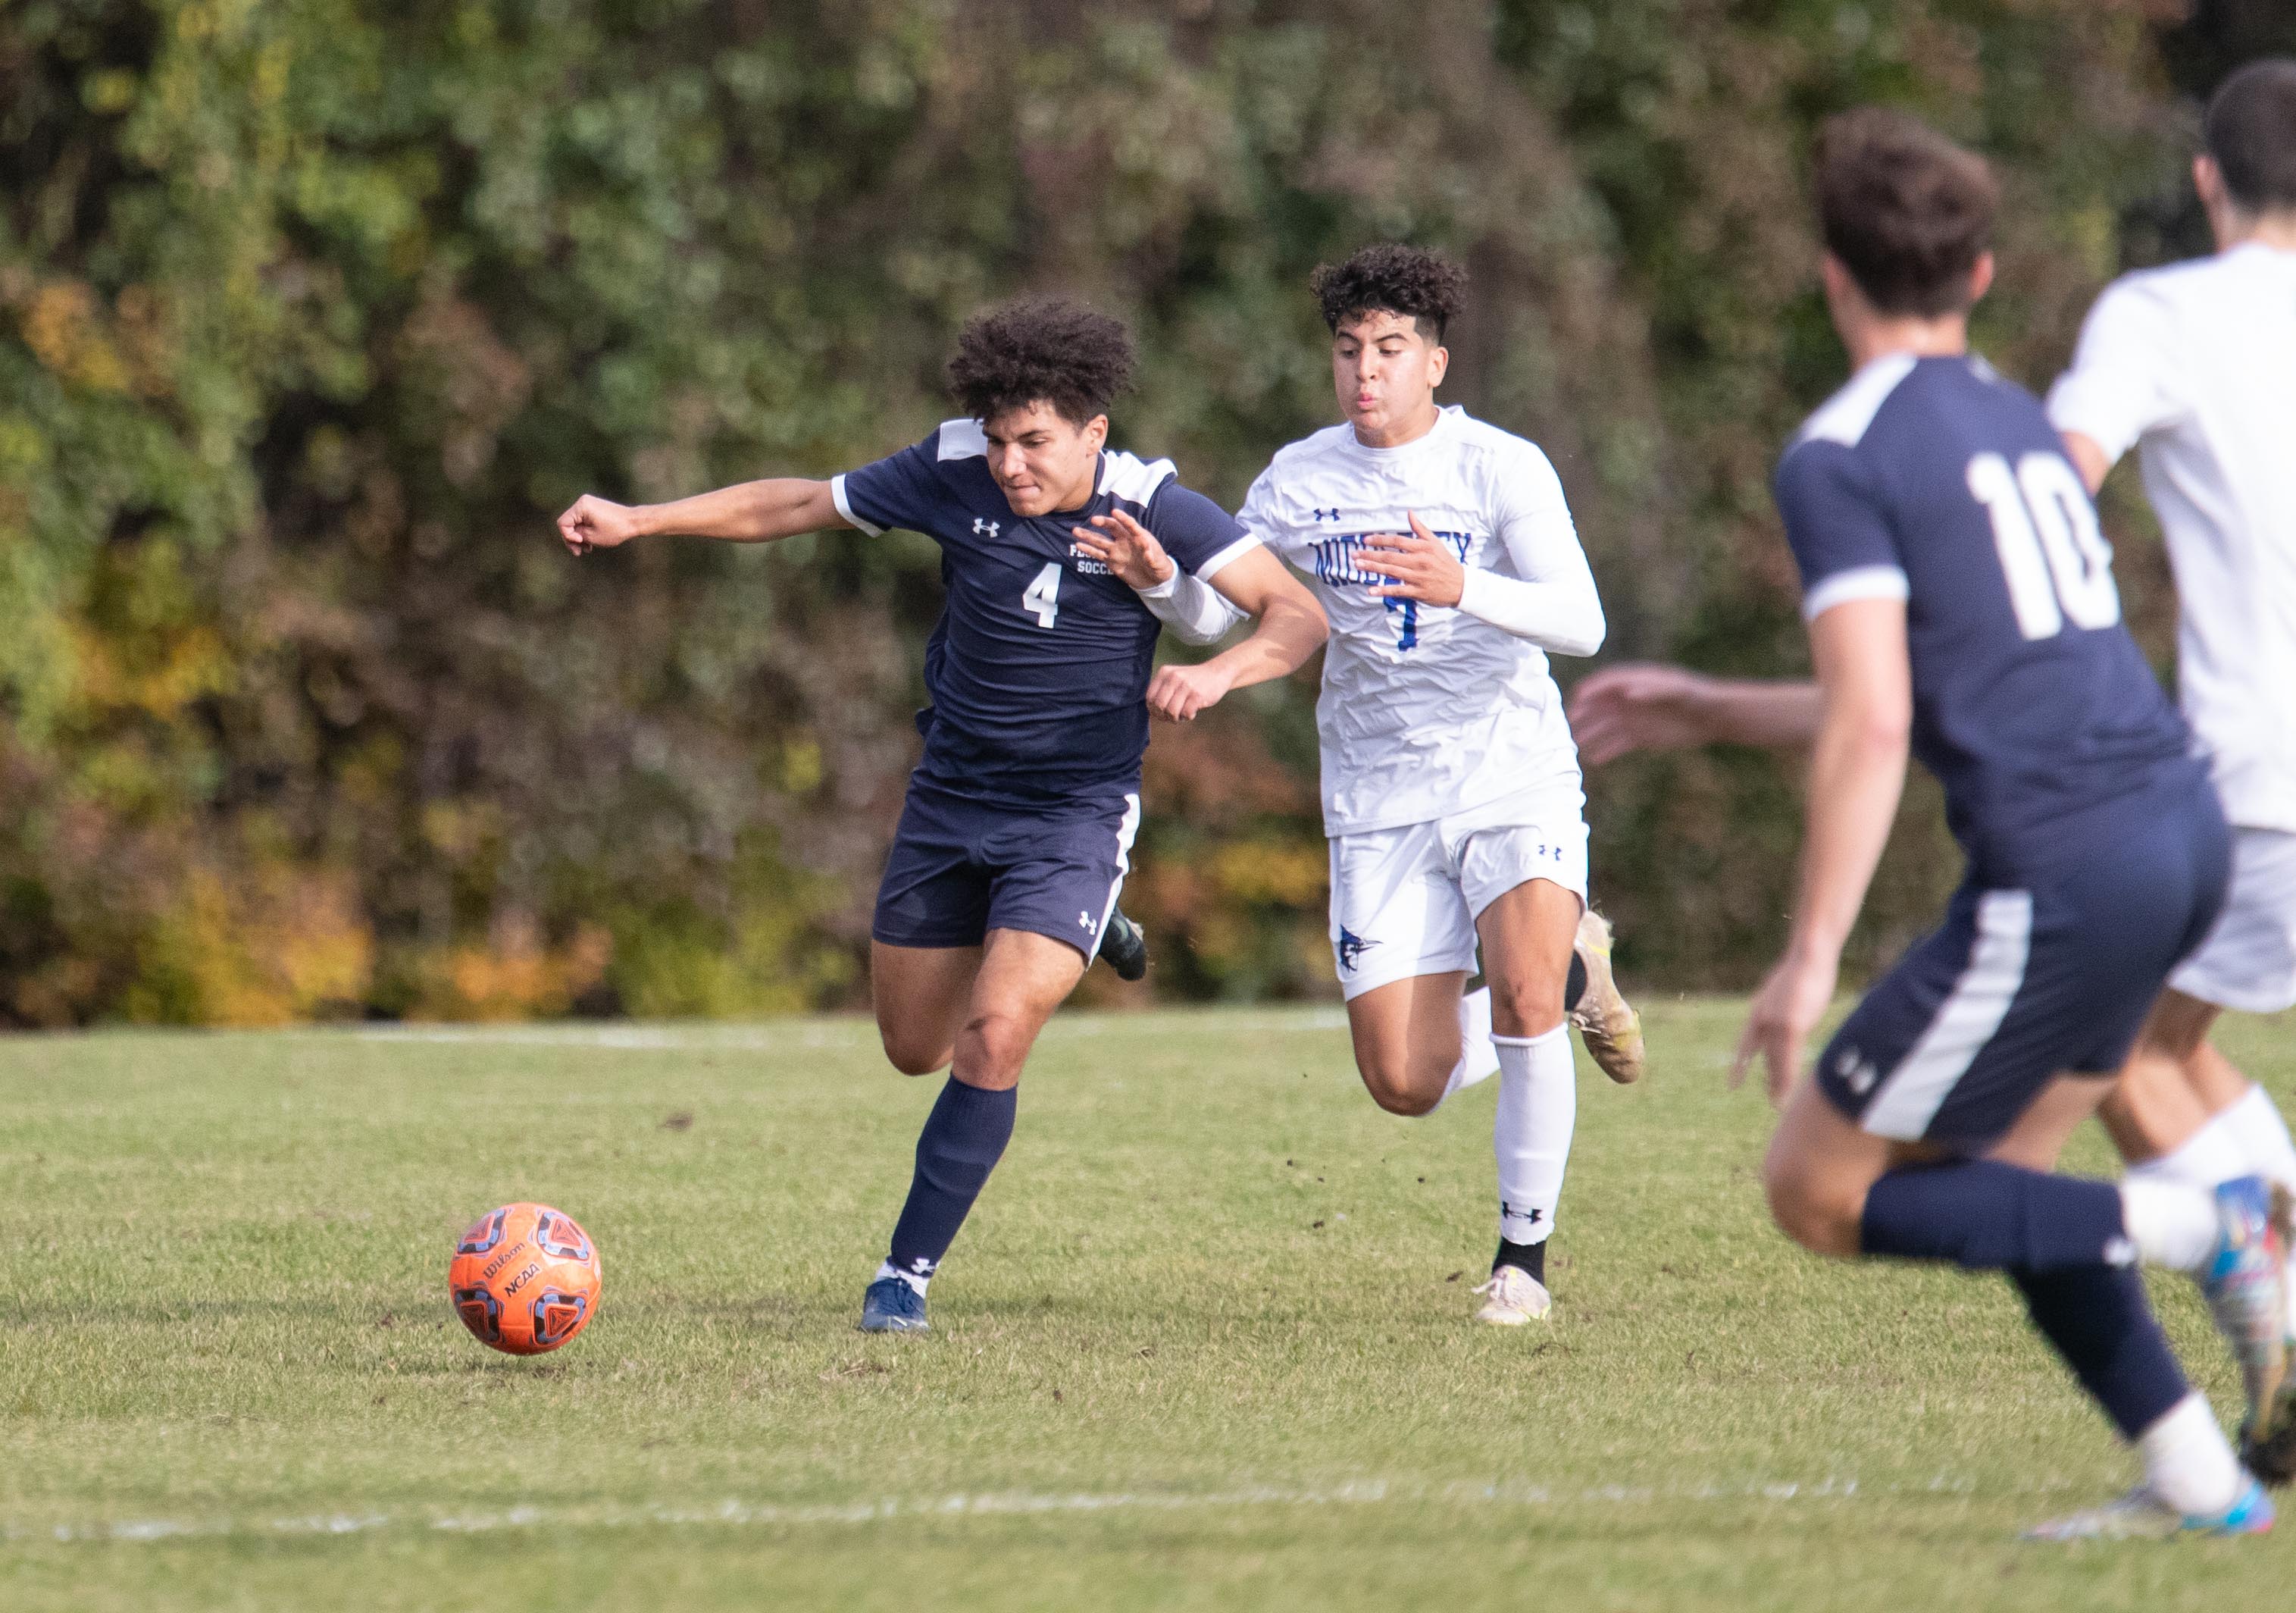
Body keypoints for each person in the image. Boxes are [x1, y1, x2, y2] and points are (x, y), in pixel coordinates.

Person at [1572, 60, 2296, 1483]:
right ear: (1978, 273)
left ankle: (2222, 1224)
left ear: (1831, 278)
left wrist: (1805, 960)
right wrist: (1714, 707)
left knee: (1813, 1187)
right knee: (2000, 1181)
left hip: (2072, 865)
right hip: (2176, 827)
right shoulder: (2018, 421)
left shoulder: (1842, 450)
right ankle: (2197, 1487)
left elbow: (1873, 724)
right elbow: (1924, 688)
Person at [555, 296, 1328, 1334]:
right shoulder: (951, 466)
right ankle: (1088, 923)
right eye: (1000, 441)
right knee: (912, 1047)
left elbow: (1296, 613)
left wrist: (1218, 672)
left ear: (1093, 433)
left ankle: (903, 1277)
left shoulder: (1153, 506)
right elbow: (798, 506)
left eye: (1036, 443)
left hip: (1074, 812)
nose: (1011, 465)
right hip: (952, 800)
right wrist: (641, 519)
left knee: (993, 1035)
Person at [1083, 245, 1643, 1329]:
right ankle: (1581, 972)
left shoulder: (1500, 466)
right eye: (1348, 351)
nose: (1366, 372)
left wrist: (1463, 584)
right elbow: (1225, 611)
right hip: (1377, 791)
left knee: (1520, 1000)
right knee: (1402, 1080)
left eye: (1389, 349)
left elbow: (1581, 622)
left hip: (1508, 770)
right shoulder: (1300, 479)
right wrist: (1160, 585)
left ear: (1435, 362)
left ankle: (1521, 1262)